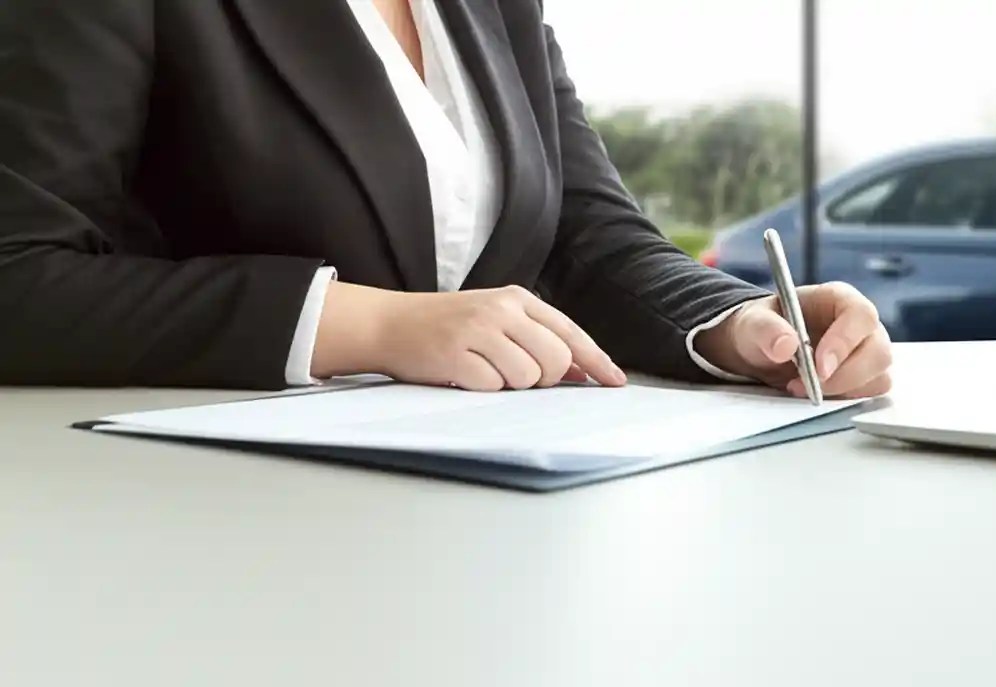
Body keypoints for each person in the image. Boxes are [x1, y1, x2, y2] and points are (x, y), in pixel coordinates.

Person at [0, 0, 892, 399]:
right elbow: (19, 274)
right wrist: (373, 325)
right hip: (185, 528)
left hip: (476, 522)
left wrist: (743, 325)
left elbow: (586, 229)